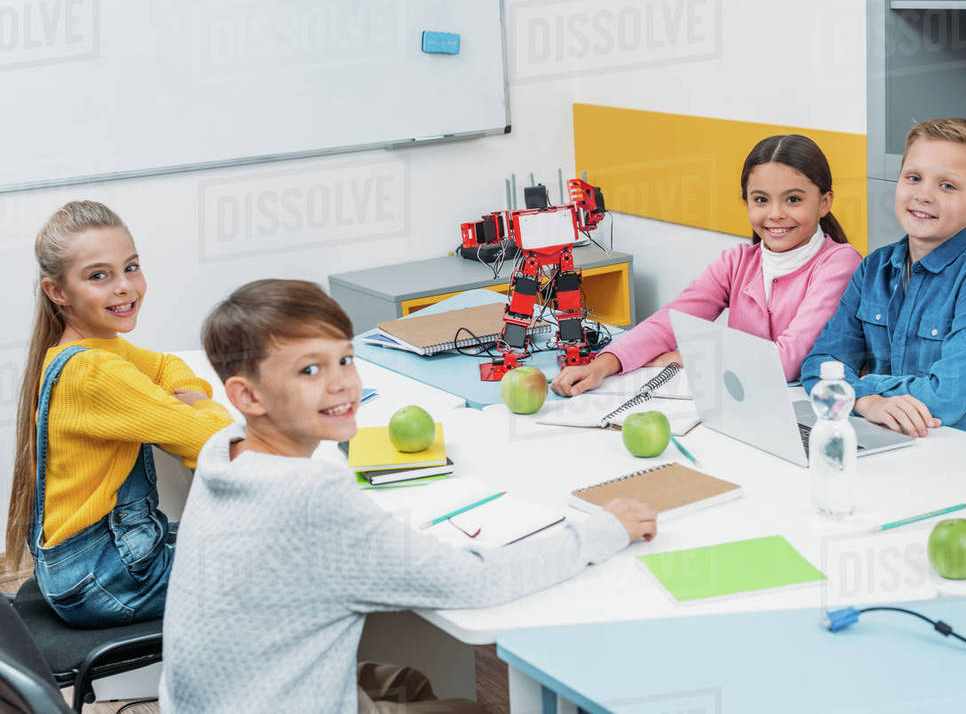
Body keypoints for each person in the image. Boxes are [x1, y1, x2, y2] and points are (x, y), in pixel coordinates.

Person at [160, 279, 658, 714]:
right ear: (248, 396)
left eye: (344, 360)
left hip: (210, 699)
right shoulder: (311, 497)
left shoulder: (223, 451)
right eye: (309, 371)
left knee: (409, 683)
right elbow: (475, 583)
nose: (341, 384)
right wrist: (600, 532)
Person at [3, 200, 233, 626]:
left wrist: (189, 397)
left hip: (97, 565)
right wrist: (202, 407)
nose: (125, 286)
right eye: (99, 276)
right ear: (57, 292)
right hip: (108, 578)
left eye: (131, 267)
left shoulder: (93, 349)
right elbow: (214, 443)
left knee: (240, 544)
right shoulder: (94, 372)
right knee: (275, 563)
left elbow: (166, 365)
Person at [551, 134, 862, 395]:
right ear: (746, 202)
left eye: (793, 199)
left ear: (824, 202)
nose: (775, 214)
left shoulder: (840, 264)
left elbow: (786, 362)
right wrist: (602, 366)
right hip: (741, 404)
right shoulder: (738, 262)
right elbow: (670, 322)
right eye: (761, 200)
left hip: (807, 414)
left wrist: (688, 356)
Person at [801, 118, 966, 443]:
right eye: (913, 178)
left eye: (947, 185)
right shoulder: (873, 268)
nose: (923, 195)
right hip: (890, 440)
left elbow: (945, 399)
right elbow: (820, 363)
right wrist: (867, 402)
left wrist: (860, 387)